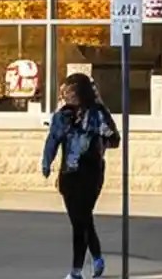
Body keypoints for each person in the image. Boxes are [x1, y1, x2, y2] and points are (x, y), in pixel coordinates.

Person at [42, 73, 121, 279]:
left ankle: (76, 271)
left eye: (69, 91)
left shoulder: (98, 113)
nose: (65, 95)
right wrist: (46, 162)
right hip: (69, 174)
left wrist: (106, 133)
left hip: (91, 172)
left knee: (81, 220)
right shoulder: (62, 116)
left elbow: (115, 140)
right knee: (81, 220)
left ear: (80, 92)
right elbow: (53, 140)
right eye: (64, 92)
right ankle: (97, 257)